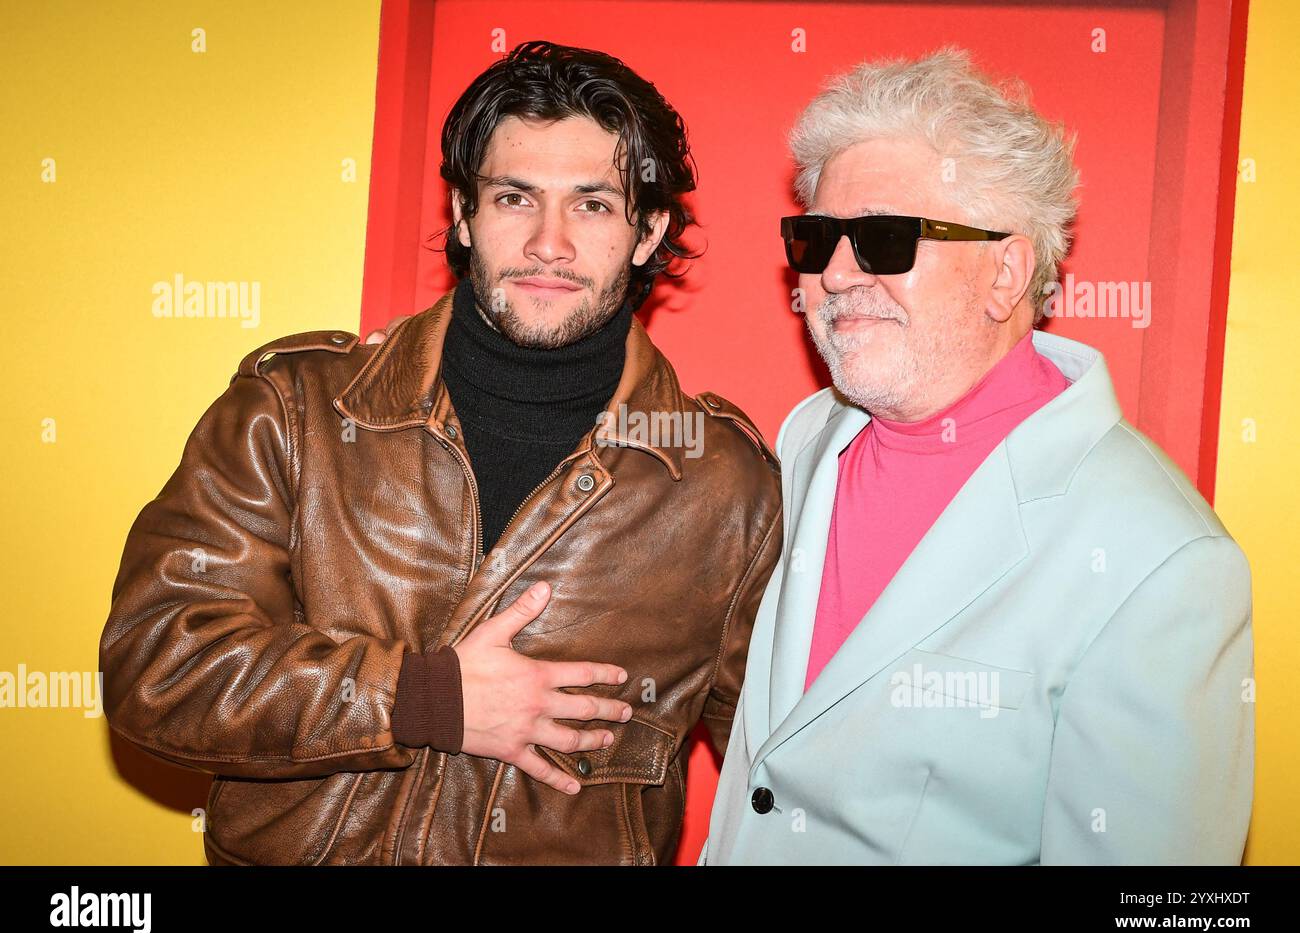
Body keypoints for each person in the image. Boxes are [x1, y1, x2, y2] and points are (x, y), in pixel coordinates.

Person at [100, 40, 781, 866]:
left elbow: (785, 771)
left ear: (649, 232)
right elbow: (159, 666)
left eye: (594, 205)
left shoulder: (724, 483)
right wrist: (423, 700)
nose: (549, 245)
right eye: (514, 198)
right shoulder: (298, 408)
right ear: (464, 214)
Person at [701, 48, 1253, 865]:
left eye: (885, 239)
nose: (836, 274)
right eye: (817, 238)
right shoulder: (808, 436)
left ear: (1005, 272)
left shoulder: (1162, 560)